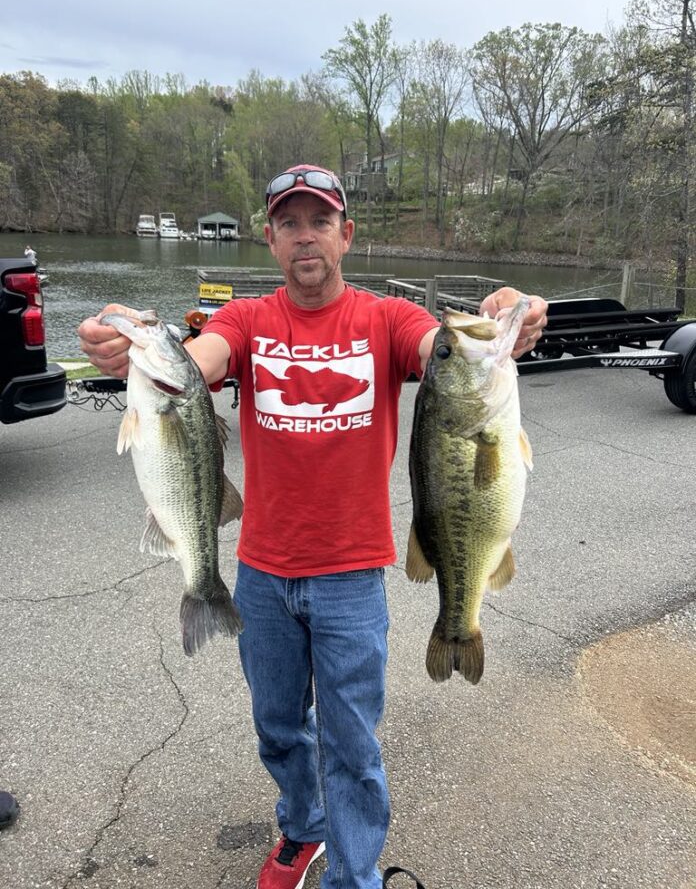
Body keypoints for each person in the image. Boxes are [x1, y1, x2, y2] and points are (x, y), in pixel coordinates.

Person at [78, 165, 547, 889]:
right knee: (276, 726)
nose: (306, 237)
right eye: (290, 223)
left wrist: (511, 321)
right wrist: (136, 347)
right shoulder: (245, 319)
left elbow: (442, 353)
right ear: (269, 239)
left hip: (352, 577)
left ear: (345, 235)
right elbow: (199, 364)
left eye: (320, 221)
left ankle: (354, 876)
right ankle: (303, 827)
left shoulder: (387, 319)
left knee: (352, 744)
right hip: (262, 575)